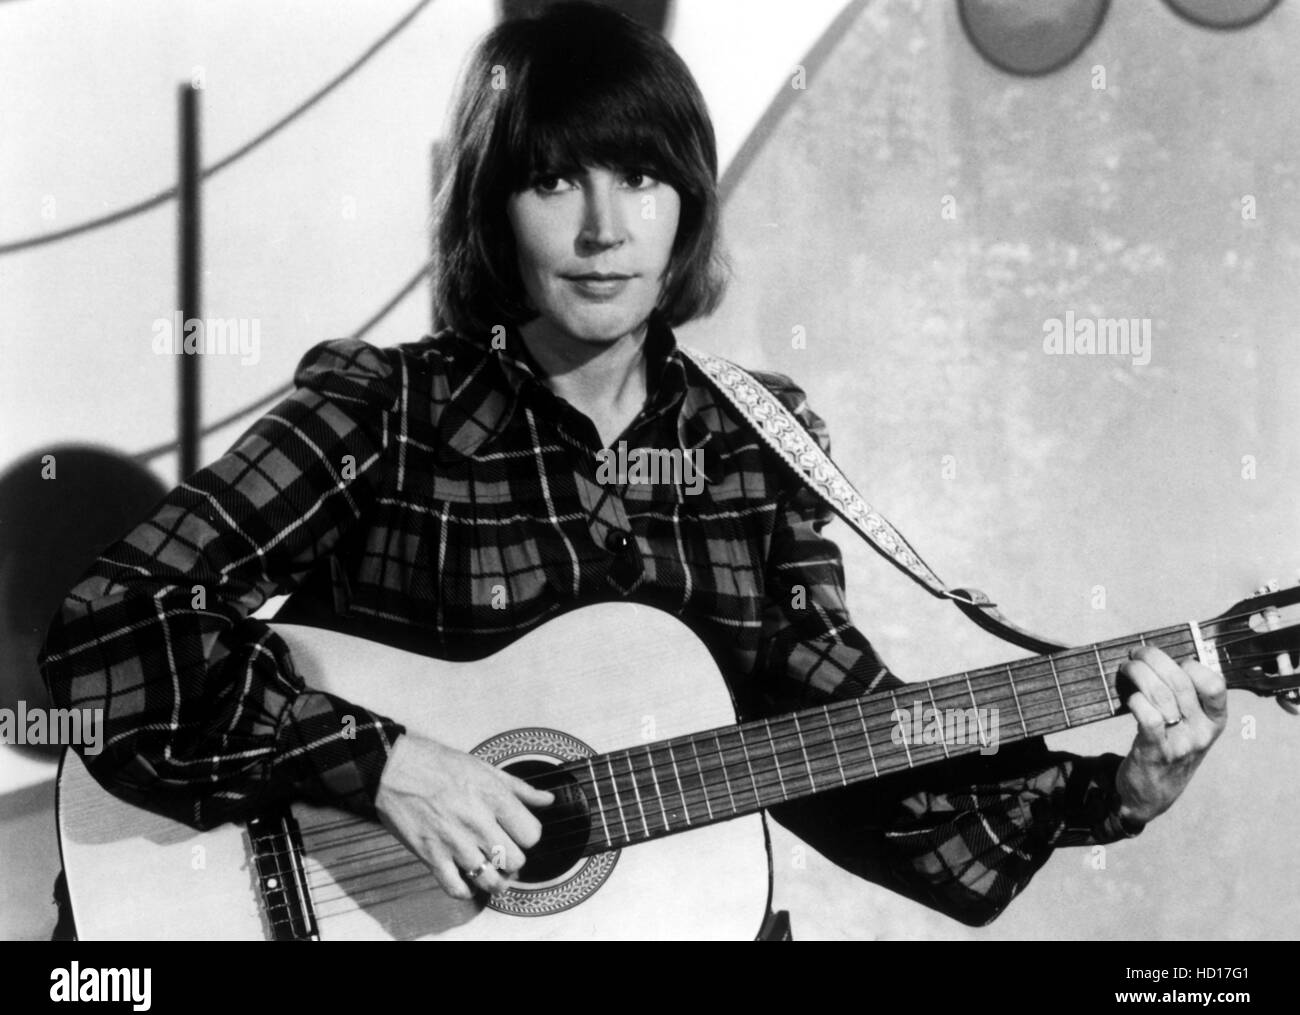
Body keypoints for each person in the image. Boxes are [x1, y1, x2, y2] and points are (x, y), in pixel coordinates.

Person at [40, 1, 1226, 936]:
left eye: (642, 179)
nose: (605, 229)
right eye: (555, 180)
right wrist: (382, 765)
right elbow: (108, 637)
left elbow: (839, 741)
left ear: (688, 205)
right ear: (493, 209)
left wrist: (1110, 793)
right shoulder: (387, 407)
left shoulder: (756, 439)